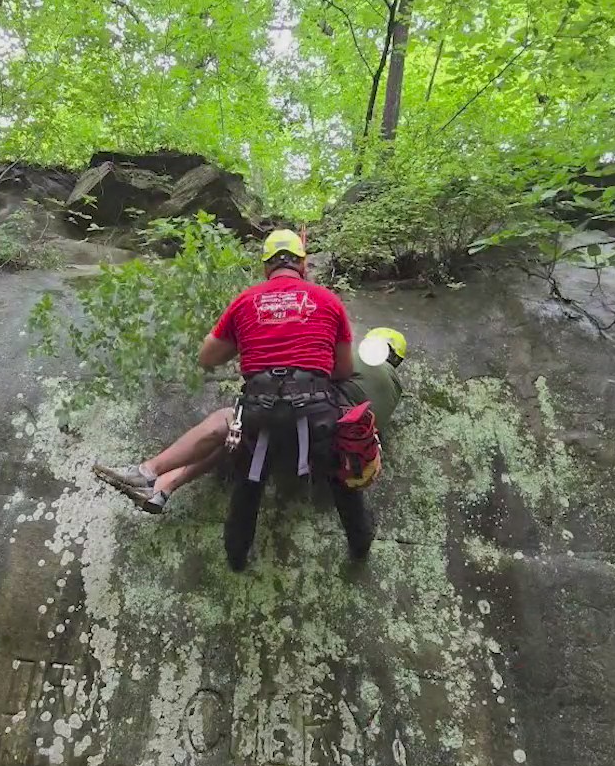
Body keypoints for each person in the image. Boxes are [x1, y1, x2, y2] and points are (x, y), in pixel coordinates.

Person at [96, 229, 367, 570]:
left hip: (259, 410)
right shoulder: (328, 301)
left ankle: (236, 556)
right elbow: (344, 369)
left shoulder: (246, 301)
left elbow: (207, 357)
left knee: (250, 479)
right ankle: (360, 546)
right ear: (302, 262)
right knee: (340, 475)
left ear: (266, 265)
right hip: (317, 413)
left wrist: (254, 336)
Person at [93, 325, 409, 514]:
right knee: (237, 439)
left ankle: (146, 471)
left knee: (228, 420)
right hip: (321, 460)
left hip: (307, 432)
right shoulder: (395, 392)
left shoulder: (362, 360)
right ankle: (162, 489)